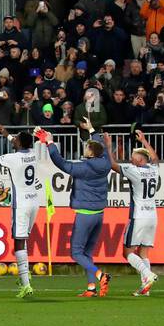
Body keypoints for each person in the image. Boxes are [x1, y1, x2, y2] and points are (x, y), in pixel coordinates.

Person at [43, 118, 112, 297]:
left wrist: (50, 143)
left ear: (90, 153)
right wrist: (91, 128)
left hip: (85, 215)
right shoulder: (105, 162)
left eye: (87, 147)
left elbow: (60, 162)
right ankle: (91, 288)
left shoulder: (84, 168)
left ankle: (100, 275)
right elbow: (101, 146)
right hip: (99, 214)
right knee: (87, 253)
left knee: (75, 252)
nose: (85, 148)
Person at [0, 127, 41, 298]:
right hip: (35, 201)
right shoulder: (33, 153)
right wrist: (6, 134)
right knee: (24, 238)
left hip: (21, 204)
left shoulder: (13, 158)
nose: (14, 140)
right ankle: (25, 275)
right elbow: (19, 141)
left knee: (18, 242)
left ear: (19, 143)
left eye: (16, 139)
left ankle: (26, 285)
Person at [105, 130, 161, 296]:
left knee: (127, 252)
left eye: (134, 156)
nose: (131, 158)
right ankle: (145, 287)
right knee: (143, 252)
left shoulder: (134, 170)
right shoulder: (153, 169)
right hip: (152, 216)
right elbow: (156, 158)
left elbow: (112, 165)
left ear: (141, 160)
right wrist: (144, 140)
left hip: (138, 216)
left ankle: (148, 274)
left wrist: (108, 147)